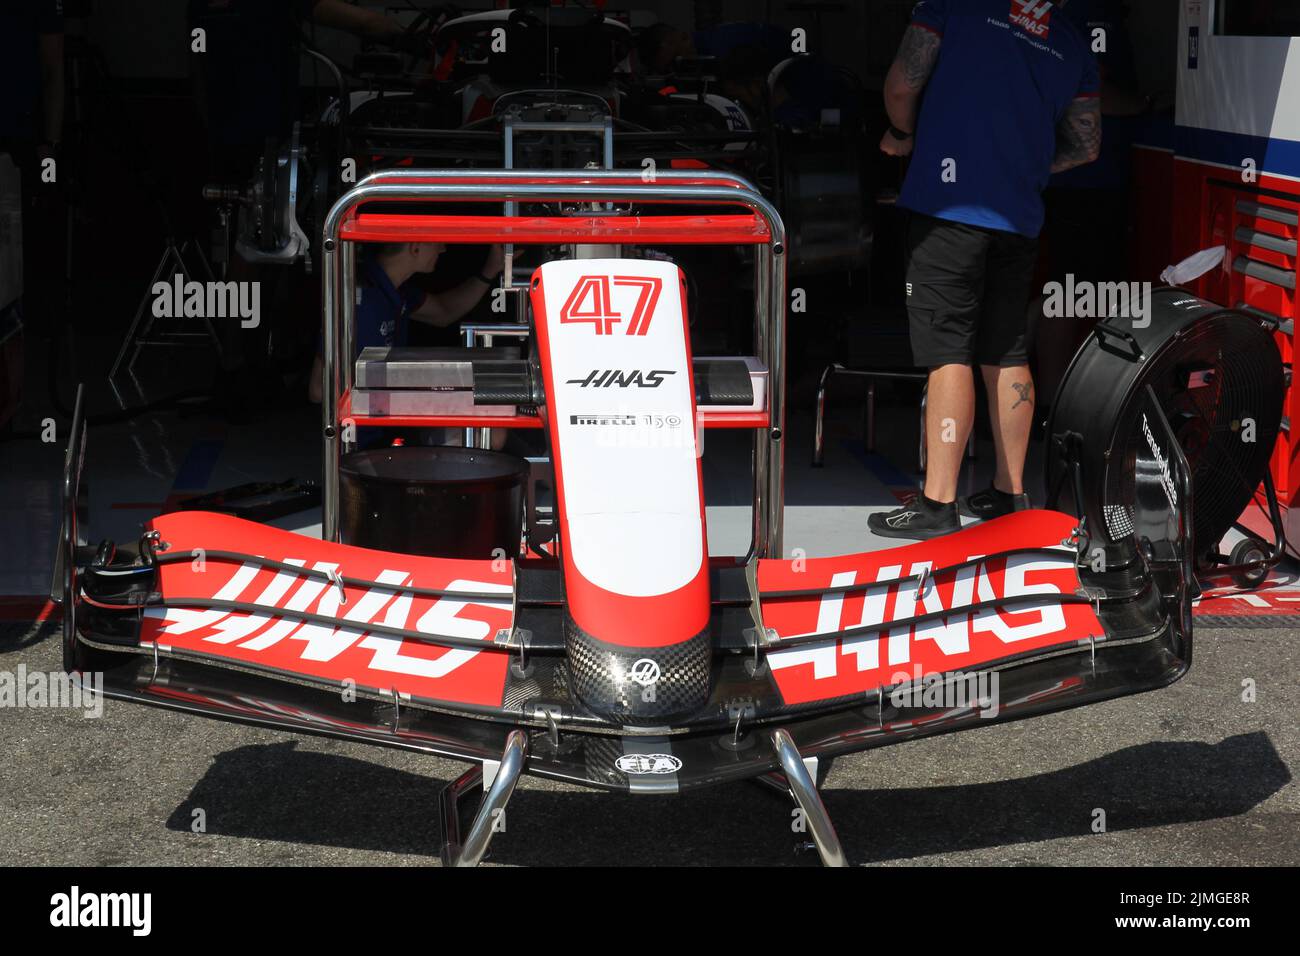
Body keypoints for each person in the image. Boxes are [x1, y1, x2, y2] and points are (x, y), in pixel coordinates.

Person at [869, 0, 1101, 540]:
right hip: (1017, 214)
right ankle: (1009, 492)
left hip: (948, 211)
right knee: (1005, 348)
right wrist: (1015, 164)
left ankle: (937, 503)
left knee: (946, 349)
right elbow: (1086, 146)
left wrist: (905, 135)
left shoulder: (953, 6)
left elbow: (902, 87)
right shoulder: (1069, 37)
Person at [307, 242, 503, 445]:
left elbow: (444, 311)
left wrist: (490, 269)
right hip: (359, 442)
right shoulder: (358, 297)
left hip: (390, 429)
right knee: (490, 434)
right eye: (437, 242)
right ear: (415, 248)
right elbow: (318, 390)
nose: (443, 248)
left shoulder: (394, 291)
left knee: (492, 425)